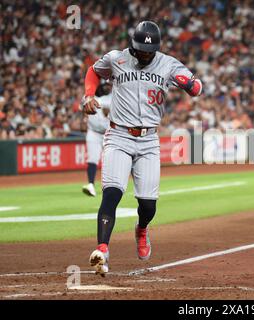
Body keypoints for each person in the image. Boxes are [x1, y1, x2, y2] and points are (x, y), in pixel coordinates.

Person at [82, 21, 202, 276]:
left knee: (148, 206)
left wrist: (190, 84)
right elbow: (93, 72)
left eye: (151, 51)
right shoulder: (116, 59)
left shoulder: (168, 64)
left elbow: (197, 87)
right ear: (133, 46)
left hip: (148, 140)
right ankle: (102, 249)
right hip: (118, 135)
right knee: (111, 194)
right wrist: (88, 95)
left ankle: (142, 229)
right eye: (142, 50)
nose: (147, 55)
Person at [82, 83, 112, 197]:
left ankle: (110, 185)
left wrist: (109, 113)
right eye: (106, 86)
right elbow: (83, 108)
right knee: (92, 159)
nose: (108, 88)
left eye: (109, 85)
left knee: (111, 159)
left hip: (109, 133)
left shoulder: (113, 96)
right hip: (93, 132)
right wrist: (83, 119)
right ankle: (90, 185)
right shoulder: (88, 96)